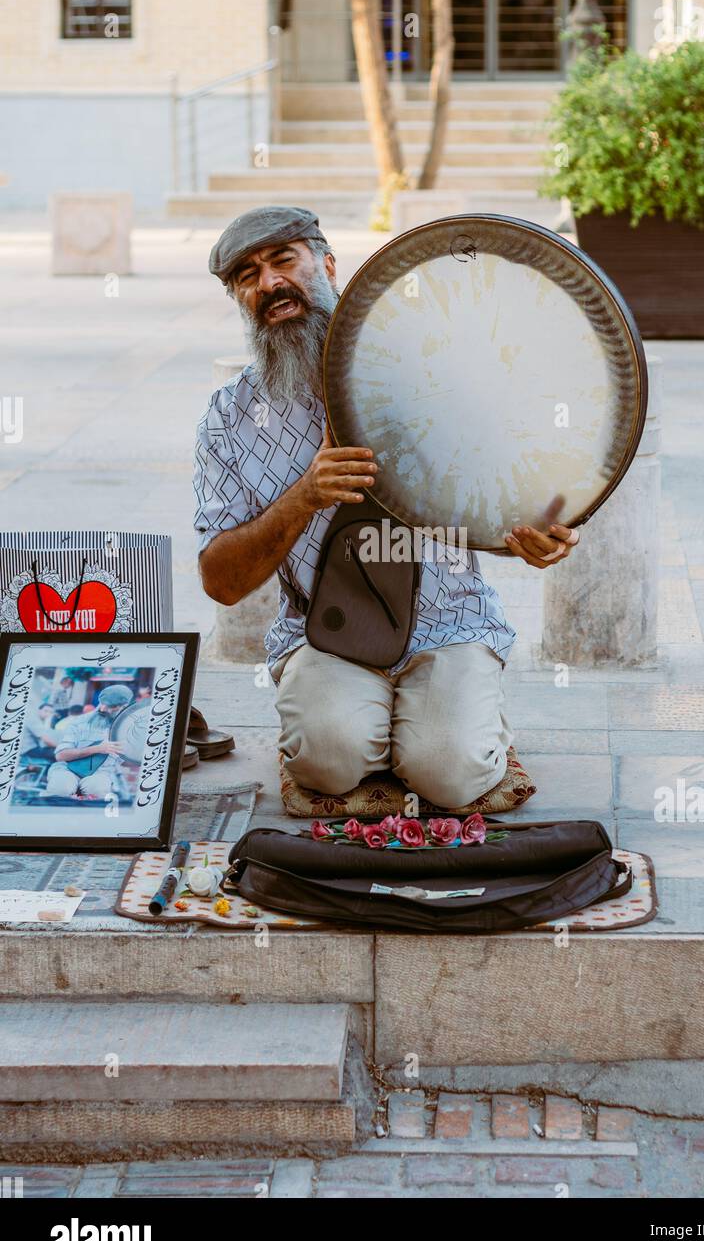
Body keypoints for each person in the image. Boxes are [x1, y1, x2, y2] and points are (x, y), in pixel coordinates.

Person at [194, 206, 580, 809]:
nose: (270, 283)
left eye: (283, 260)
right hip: (324, 630)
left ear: (327, 264)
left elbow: (518, 480)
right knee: (326, 762)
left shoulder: (435, 368)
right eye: (247, 275)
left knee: (450, 775)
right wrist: (306, 494)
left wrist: (542, 536)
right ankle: (379, 730)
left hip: (449, 620)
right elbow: (221, 582)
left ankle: (438, 735)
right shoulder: (228, 417)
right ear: (238, 298)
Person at [46, 683, 133, 799]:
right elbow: (60, 756)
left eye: (110, 706)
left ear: (125, 706)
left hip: (101, 773)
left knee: (98, 789)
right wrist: (98, 749)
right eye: (102, 703)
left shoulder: (129, 729)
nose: (102, 709)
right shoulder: (80, 721)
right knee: (61, 787)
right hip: (67, 769)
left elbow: (129, 761)